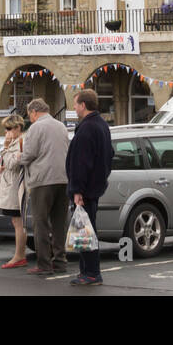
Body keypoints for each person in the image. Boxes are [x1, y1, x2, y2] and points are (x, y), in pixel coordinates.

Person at [16, 98, 70, 275]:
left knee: (41, 223)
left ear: (34, 112)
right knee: (59, 223)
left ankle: (44, 264)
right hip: (62, 179)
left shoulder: (36, 127)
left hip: (43, 180)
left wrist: (18, 158)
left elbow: (29, 154)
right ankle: (60, 261)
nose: (29, 118)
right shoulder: (61, 126)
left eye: (29, 114)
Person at [66, 89, 113, 287]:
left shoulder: (87, 128)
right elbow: (109, 154)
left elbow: (81, 163)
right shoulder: (102, 125)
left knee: (86, 230)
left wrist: (77, 190)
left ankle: (92, 272)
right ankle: (86, 271)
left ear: (83, 105)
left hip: (86, 190)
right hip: (95, 187)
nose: (74, 108)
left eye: (76, 104)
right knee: (85, 229)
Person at [0, 114, 28, 268]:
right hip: (9, 185)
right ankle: (19, 254)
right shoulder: (15, 141)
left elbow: (14, 163)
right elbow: (8, 163)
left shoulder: (22, 141)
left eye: (8, 128)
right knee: (16, 221)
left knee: (19, 222)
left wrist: (6, 148)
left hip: (16, 186)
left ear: (17, 128)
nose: (6, 132)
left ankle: (19, 256)